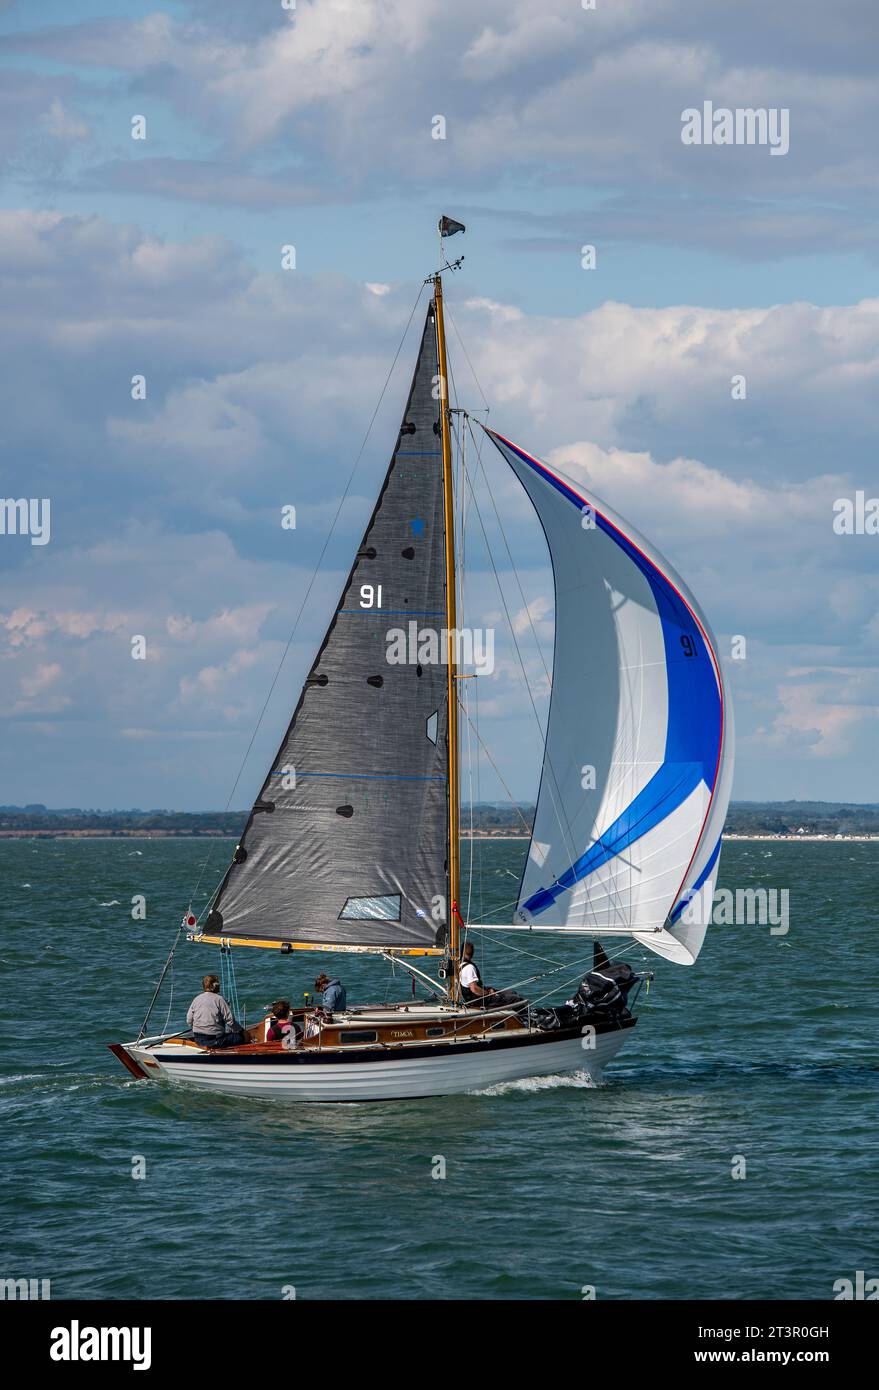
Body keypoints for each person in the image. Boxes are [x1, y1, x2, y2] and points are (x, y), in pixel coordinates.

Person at [458, 942, 525, 1012]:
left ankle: (521, 1016)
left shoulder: (461, 965)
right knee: (515, 999)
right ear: (473, 952)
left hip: (477, 998)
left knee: (512, 992)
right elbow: (474, 989)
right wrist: (487, 994)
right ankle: (526, 1019)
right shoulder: (469, 967)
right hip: (478, 1001)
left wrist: (488, 989)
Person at [186, 974, 245, 1048]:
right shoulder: (219, 999)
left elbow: (189, 1020)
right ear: (215, 986)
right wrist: (241, 1031)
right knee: (240, 1038)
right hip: (215, 1040)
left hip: (198, 1039)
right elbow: (230, 1021)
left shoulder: (196, 999)